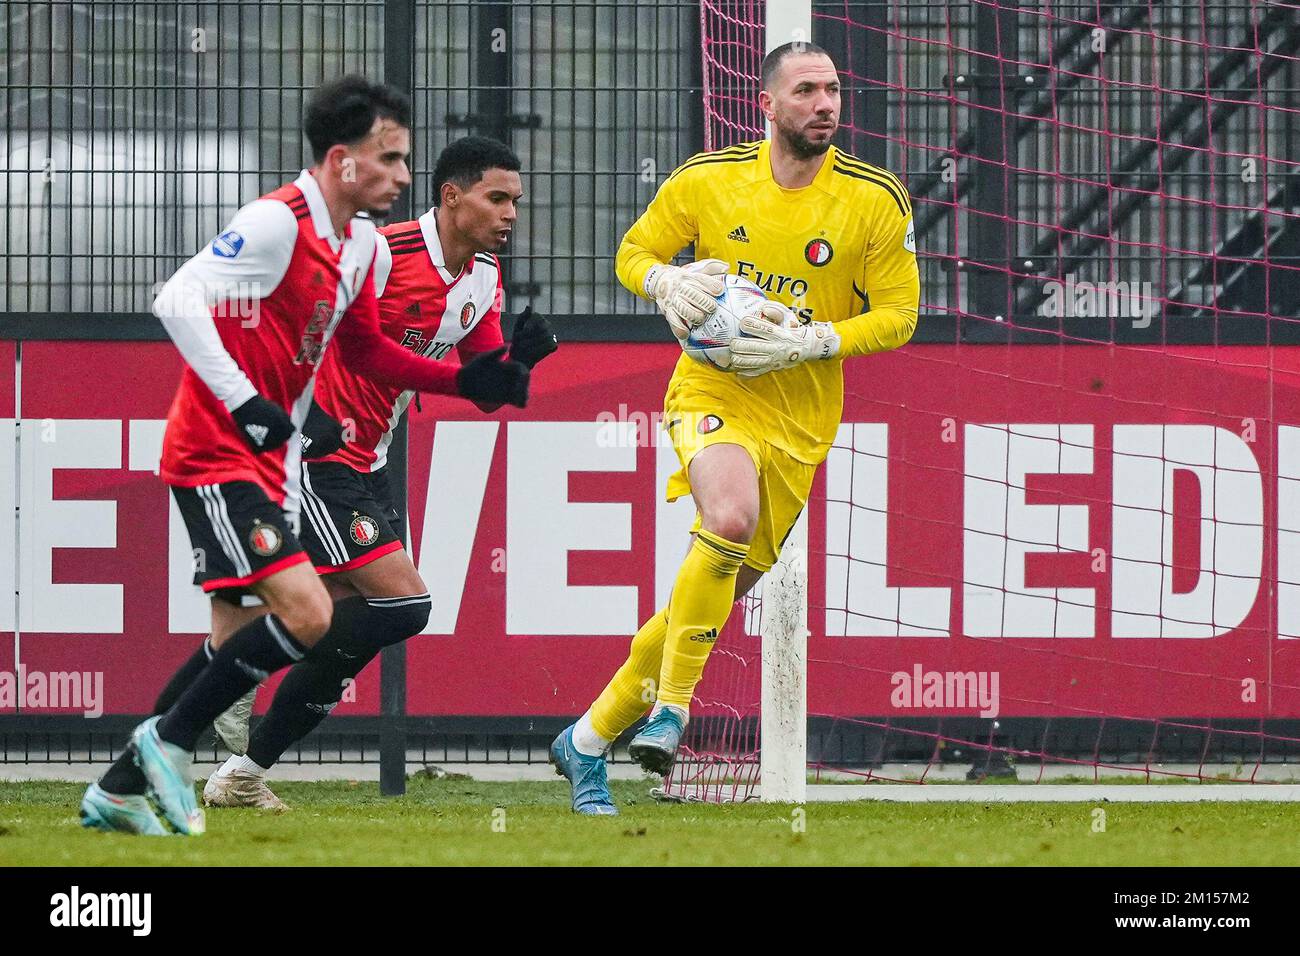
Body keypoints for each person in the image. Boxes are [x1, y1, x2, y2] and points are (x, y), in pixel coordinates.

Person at [79, 78, 530, 836]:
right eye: (389, 159)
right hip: (221, 448)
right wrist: (252, 405)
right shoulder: (276, 222)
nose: (402, 176)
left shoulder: (354, 243)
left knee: (234, 638)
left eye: (406, 160)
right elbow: (176, 299)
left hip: (287, 460)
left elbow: (363, 349)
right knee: (321, 612)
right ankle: (172, 747)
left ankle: (122, 787)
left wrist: (471, 379)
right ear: (342, 161)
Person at [550, 42, 920, 814]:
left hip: (802, 419)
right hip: (712, 388)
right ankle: (672, 712)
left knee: (709, 597)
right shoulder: (708, 182)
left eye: (834, 91)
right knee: (727, 514)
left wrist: (819, 339)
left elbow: (900, 315)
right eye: (808, 91)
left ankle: (585, 741)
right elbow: (634, 251)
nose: (826, 104)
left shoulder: (874, 199)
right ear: (768, 104)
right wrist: (665, 278)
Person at [202, 136, 556, 810]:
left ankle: (242, 739)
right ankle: (240, 700)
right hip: (317, 452)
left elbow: (479, 391)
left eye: (516, 200)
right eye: (498, 198)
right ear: (452, 197)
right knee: (405, 604)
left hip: (371, 461)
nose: (512, 213)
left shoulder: (482, 275)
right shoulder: (381, 254)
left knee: (357, 614)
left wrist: (520, 364)